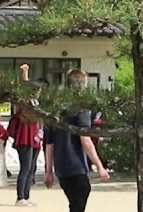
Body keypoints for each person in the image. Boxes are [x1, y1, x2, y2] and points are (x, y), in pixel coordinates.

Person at [44, 69, 110, 212]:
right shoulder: (81, 108)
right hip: (76, 165)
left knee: (74, 204)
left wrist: (49, 171)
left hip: (61, 168)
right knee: (81, 196)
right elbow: (85, 139)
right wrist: (100, 166)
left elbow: (49, 144)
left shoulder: (55, 108)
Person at [9, 63, 44, 207]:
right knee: (25, 167)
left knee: (31, 168)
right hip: (25, 138)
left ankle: (27, 195)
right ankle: (20, 197)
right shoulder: (23, 103)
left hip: (35, 137)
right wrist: (25, 73)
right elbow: (23, 88)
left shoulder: (36, 103)